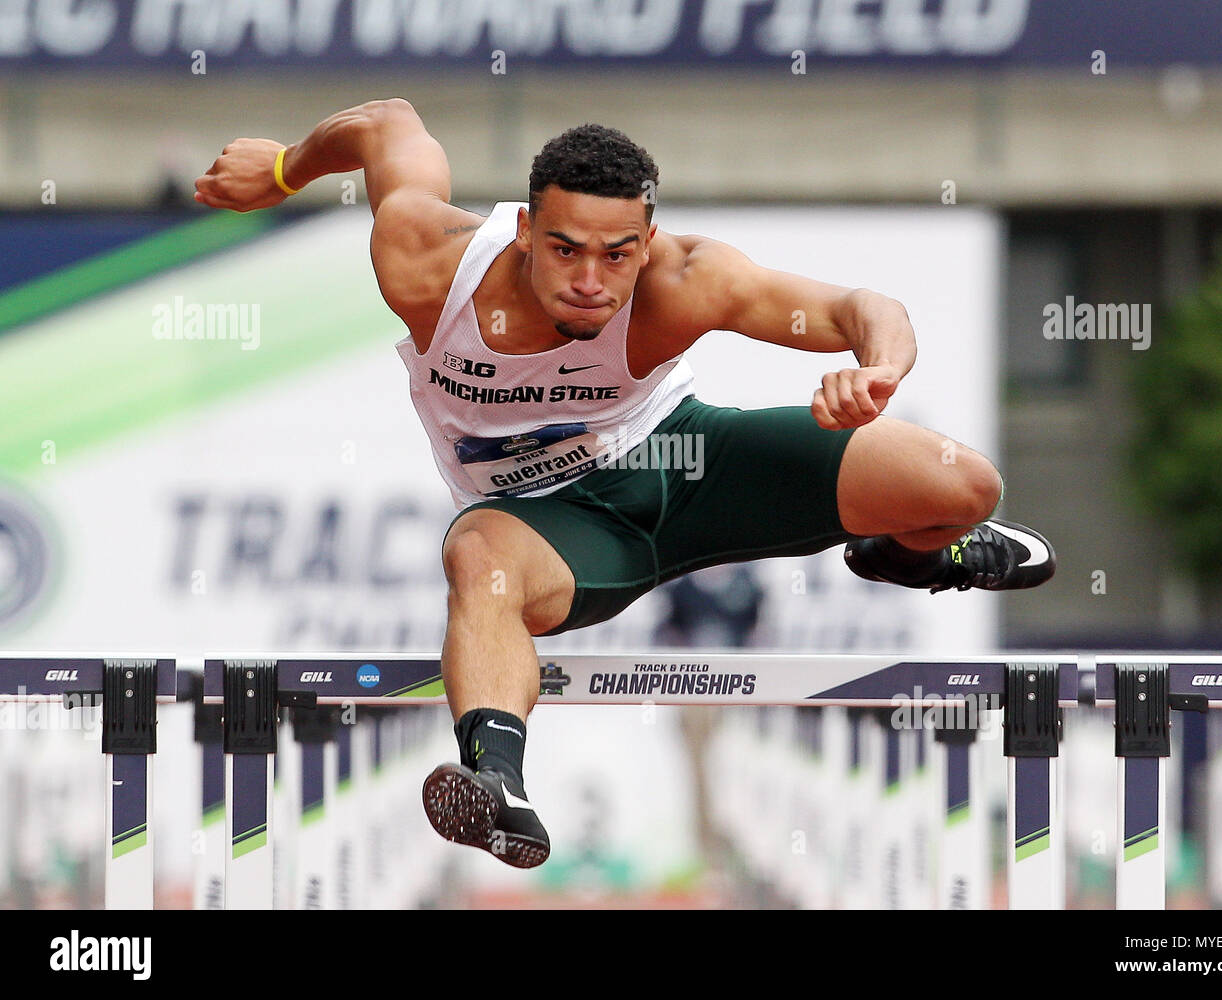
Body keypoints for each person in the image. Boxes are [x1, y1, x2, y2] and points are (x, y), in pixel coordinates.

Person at [195, 99, 1056, 869]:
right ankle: (497, 781)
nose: (589, 281)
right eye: (565, 249)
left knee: (962, 482)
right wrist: (281, 171)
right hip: (554, 527)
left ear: (646, 244)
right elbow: (385, 124)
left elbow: (862, 309)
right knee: (478, 556)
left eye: (616, 256)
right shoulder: (428, 264)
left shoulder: (685, 281)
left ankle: (904, 551)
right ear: (526, 230)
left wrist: (877, 370)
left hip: (682, 465)